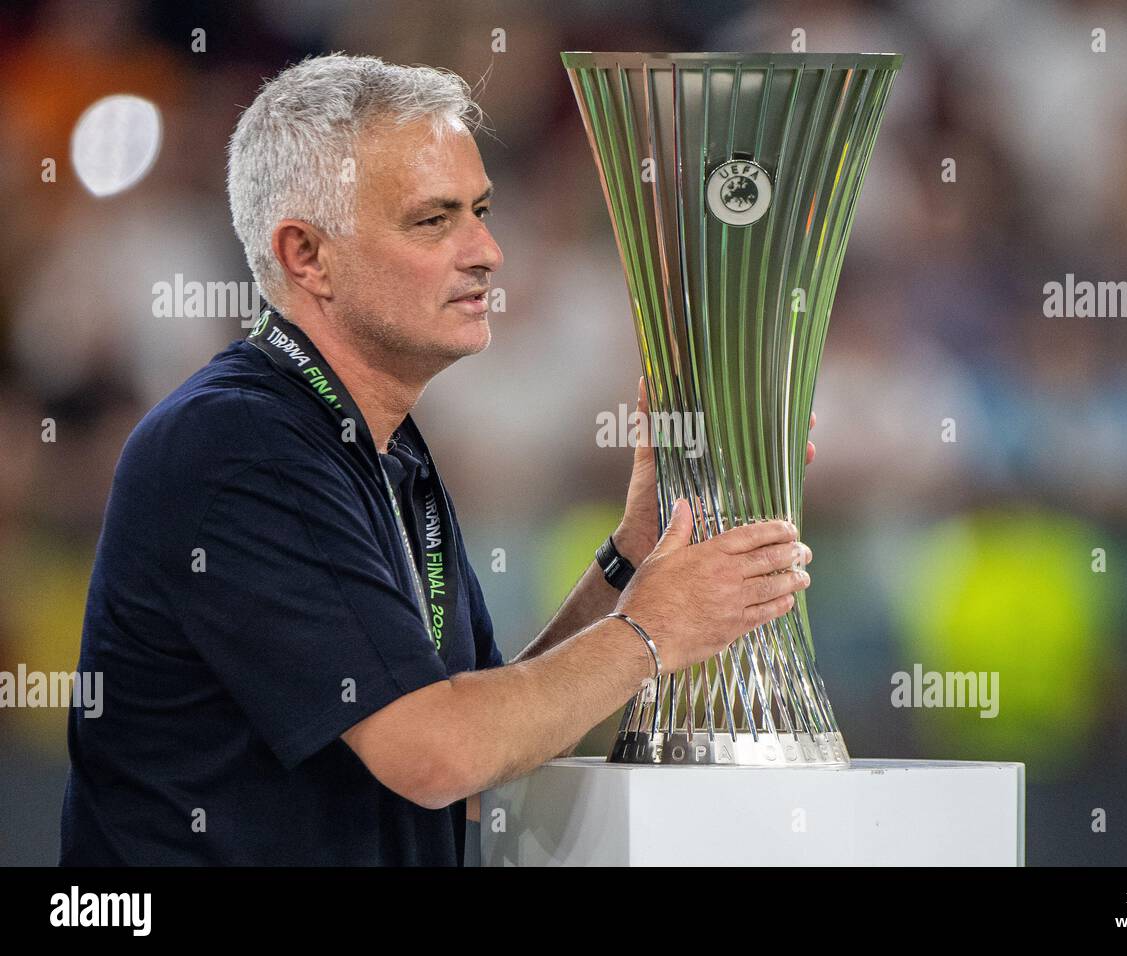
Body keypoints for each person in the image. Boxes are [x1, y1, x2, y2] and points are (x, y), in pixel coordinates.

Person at [59, 54, 814, 866]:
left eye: (482, 210)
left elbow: (484, 744)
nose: (487, 250)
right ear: (306, 255)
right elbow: (437, 753)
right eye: (434, 220)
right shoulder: (235, 444)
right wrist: (653, 630)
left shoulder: (380, 446)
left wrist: (633, 554)